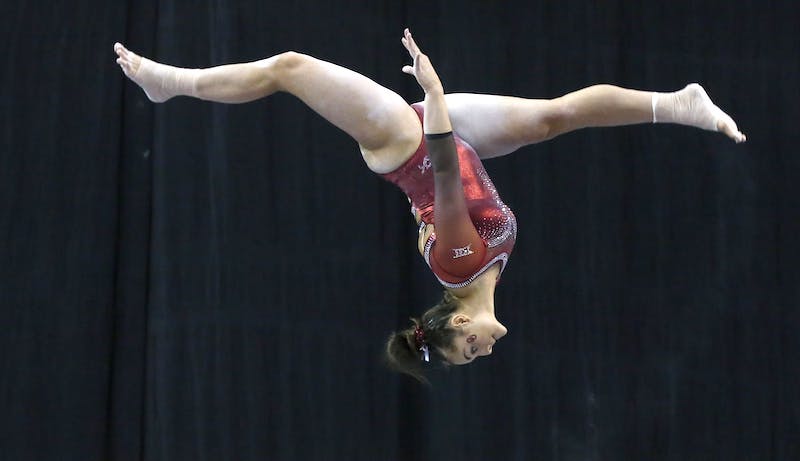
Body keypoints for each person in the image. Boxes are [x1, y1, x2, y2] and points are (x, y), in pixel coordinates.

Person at [113, 29, 746, 382]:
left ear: (457, 325)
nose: (485, 351)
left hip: (409, 142)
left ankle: (169, 84)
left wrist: (435, 93)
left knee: (289, 67)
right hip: (451, 140)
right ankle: (676, 103)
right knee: (552, 119)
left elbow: (444, 174)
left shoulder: (460, 262)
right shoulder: (485, 273)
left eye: (468, 350)